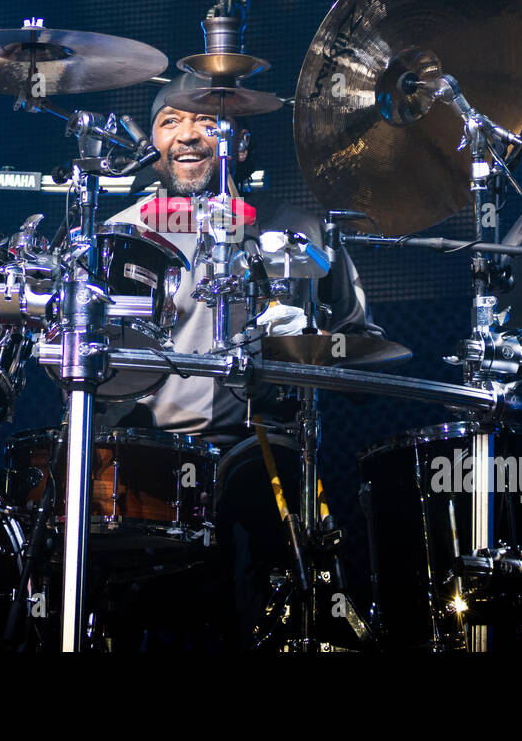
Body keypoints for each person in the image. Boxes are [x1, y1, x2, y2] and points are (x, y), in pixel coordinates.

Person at [99, 74, 384, 648]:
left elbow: (366, 355)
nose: (188, 135)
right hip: (151, 450)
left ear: (241, 144)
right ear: (153, 143)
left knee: (300, 591)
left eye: (207, 121)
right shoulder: (121, 232)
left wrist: (302, 345)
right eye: (170, 121)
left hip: (265, 446)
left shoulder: (297, 230)